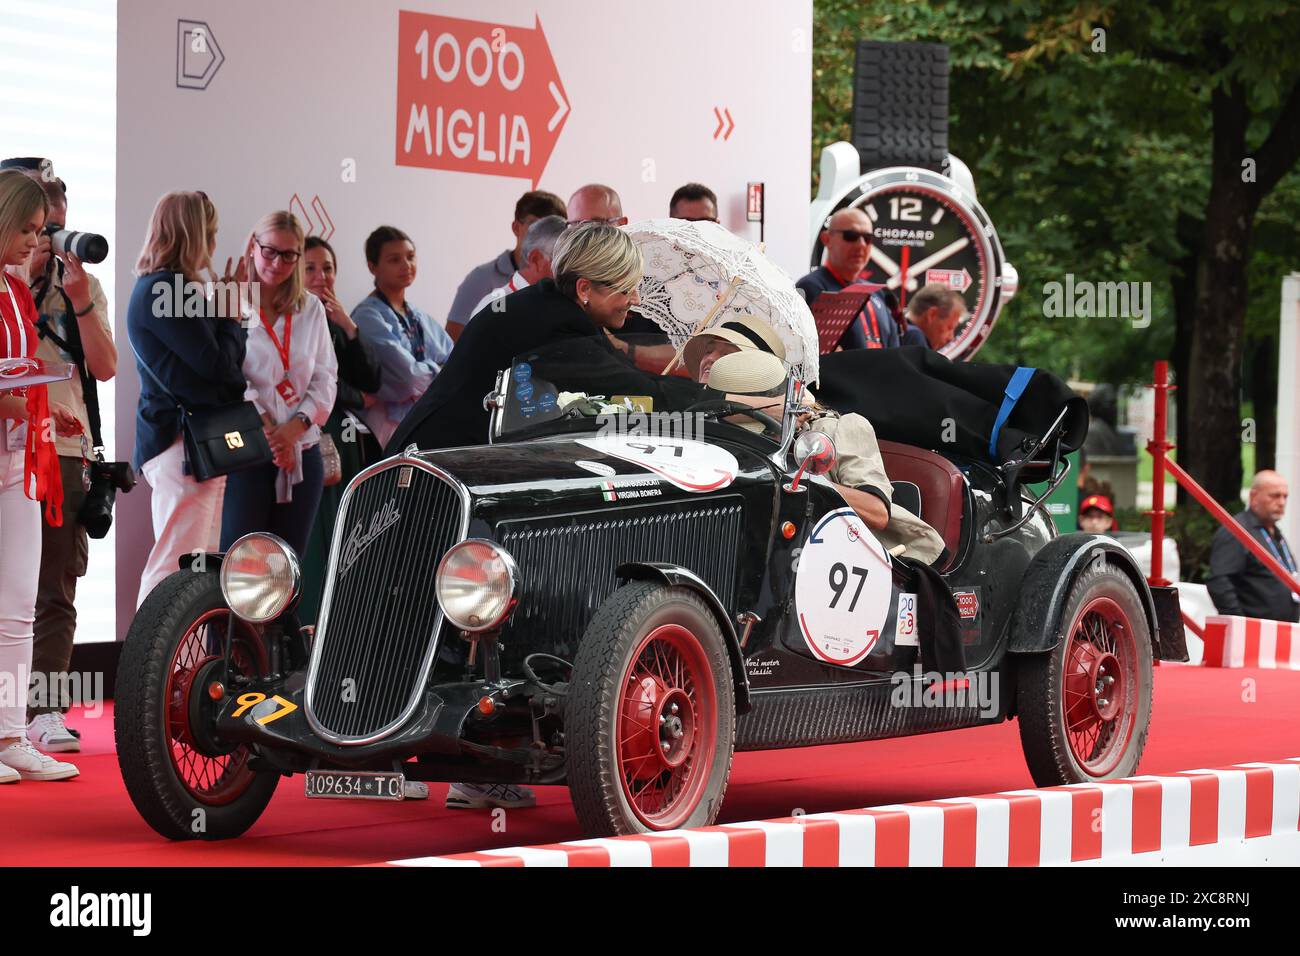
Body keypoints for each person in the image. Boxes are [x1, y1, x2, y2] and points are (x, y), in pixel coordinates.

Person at [387, 223, 716, 457]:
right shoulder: (556, 324)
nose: (636, 300)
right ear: (585, 289)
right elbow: (637, 390)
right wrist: (727, 402)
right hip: (429, 465)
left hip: (439, 455)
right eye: (625, 288)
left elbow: (622, 373)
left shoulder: (549, 305)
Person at [8, 162, 117, 754]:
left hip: (68, 449)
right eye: (43, 228)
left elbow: (104, 367)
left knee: (55, 588)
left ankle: (42, 710)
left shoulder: (81, 285)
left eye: (58, 228)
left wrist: (78, 300)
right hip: (12, 444)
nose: (51, 241)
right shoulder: (7, 281)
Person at [695, 346, 945, 565]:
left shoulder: (838, 429)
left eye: (726, 352)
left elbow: (877, 511)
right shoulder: (711, 439)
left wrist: (802, 478)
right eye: (709, 350)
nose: (712, 357)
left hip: (858, 560)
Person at [0, 168, 80, 782]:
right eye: (26, 229)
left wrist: (43, 406)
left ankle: (8, 735)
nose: (36, 241)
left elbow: (17, 373)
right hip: (12, 449)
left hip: (19, 459)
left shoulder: (16, 289)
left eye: (40, 230)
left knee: (20, 604)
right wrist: (27, 397)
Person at [130, 190, 247, 606]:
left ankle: (175, 667)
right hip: (183, 445)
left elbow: (221, 371)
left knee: (192, 567)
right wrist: (232, 316)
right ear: (195, 234)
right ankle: (150, 668)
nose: (214, 244)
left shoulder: (166, 288)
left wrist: (225, 314)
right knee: (175, 567)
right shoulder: (165, 289)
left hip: (193, 444)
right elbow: (222, 371)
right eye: (211, 233)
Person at [218, 212, 337, 559]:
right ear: (253, 247)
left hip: (303, 448)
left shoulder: (309, 307)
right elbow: (229, 376)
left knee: (285, 566)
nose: (278, 262)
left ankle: (281, 618)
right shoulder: (231, 300)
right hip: (249, 449)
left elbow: (326, 376)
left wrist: (294, 428)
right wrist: (270, 429)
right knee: (238, 565)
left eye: (289, 255)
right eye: (270, 251)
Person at [297, 236, 382, 624]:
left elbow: (371, 378)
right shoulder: (289, 315)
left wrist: (347, 325)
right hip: (302, 436)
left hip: (342, 446)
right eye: (311, 267)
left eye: (328, 268)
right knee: (309, 540)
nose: (321, 276)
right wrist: (356, 397)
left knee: (339, 536)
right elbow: (308, 379)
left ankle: (341, 625)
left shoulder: (334, 316)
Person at [352, 226, 453, 449]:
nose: (406, 265)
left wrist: (428, 369)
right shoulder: (368, 317)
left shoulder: (417, 314)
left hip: (423, 423)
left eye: (410, 257)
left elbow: (455, 363)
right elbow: (408, 379)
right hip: (385, 429)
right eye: (394, 259)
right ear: (372, 267)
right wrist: (437, 370)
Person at [445, 190, 566, 340]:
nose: (571, 269)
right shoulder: (496, 303)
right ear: (535, 259)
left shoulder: (568, 300)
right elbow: (456, 347)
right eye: (562, 260)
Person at [797, 207, 900, 350]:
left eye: (867, 238)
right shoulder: (812, 287)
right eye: (851, 236)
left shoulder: (877, 293)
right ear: (826, 239)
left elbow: (894, 352)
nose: (861, 244)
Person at [1207, 470, 1300, 623]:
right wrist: (1239, 623)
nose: (1282, 502)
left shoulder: (1273, 532)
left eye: (1285, 496)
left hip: (1281, 631)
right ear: (1253, 496)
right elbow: (1220, 581)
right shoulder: (1237, 530)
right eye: (1274, 496)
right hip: (1254, 634)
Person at [467, 214, 567, 320]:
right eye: (564, 261)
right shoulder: (496, 307)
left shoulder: (565, 303)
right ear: (536, 259)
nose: (574, 270)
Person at [901, 283, 964, 350]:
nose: (951, 338)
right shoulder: (914, 336)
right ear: (932, 314)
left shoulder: (898, 329)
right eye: (949, 328)